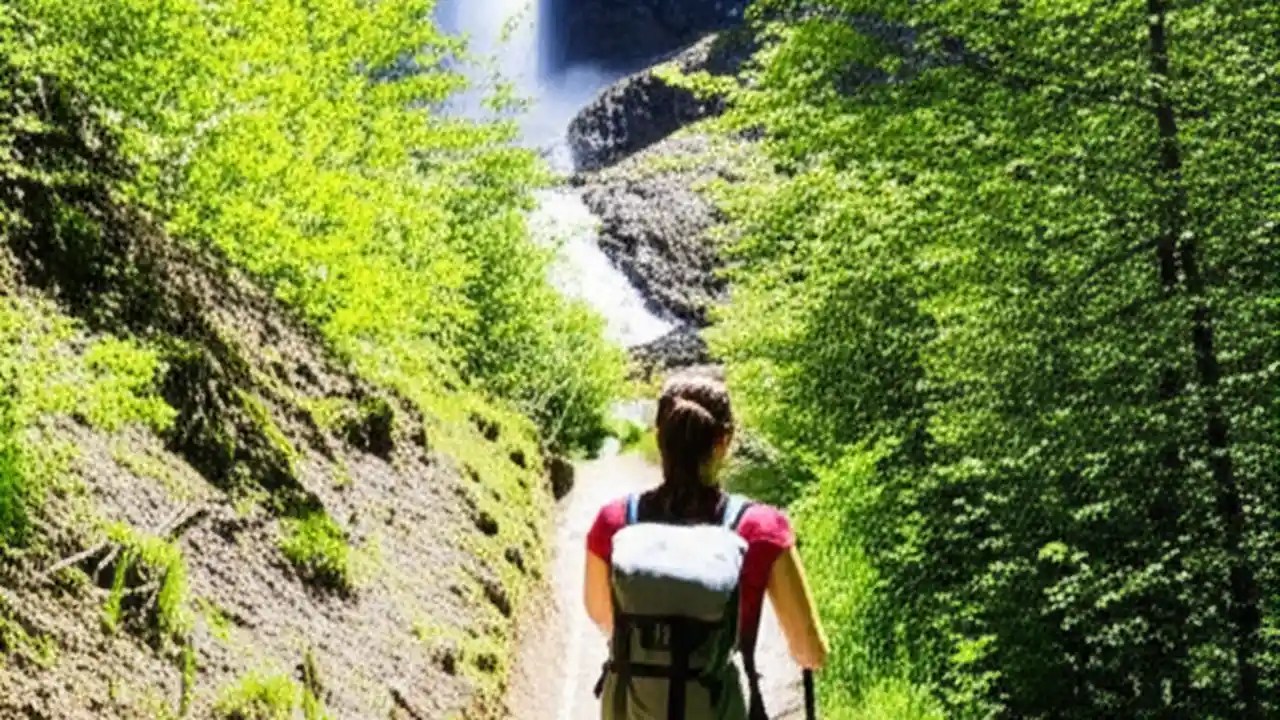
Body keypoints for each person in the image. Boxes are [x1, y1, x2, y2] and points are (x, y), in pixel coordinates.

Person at [584, 374, 828, 719]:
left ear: (658, 436)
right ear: (724, 441)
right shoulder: (761, 528)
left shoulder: (614, 522)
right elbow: (809, 652)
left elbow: (603, 616)